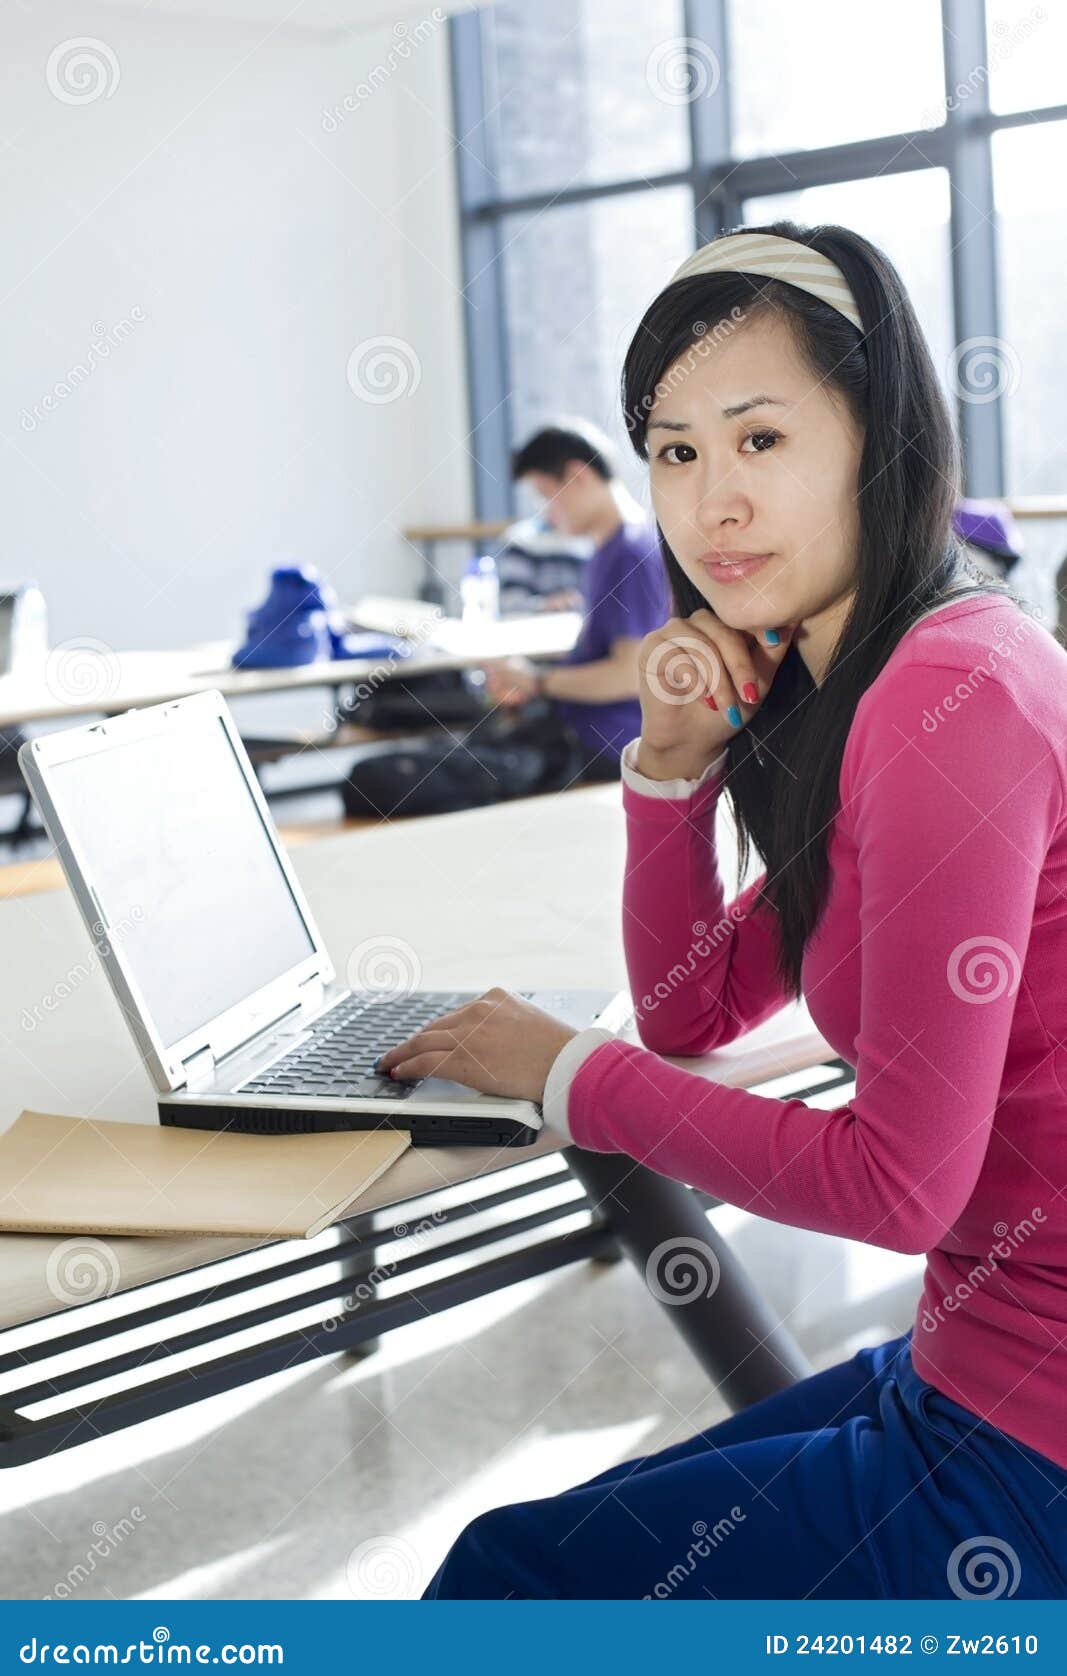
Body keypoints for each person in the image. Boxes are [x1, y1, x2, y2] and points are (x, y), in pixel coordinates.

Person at [375, 222, 1067, 1599]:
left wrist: (568, 1074)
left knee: (500, 1585)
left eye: (758, 440)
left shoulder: (949, 699)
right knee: (534, 1557)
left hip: (1025, 1439)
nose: (708, 505)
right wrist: (669, 776)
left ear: (877, 438)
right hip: (972, 1361)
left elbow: (896, 1185)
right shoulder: (868, 688)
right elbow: (693, 1004)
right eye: (675, 451)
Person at [481, 419, 672, 780]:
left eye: (545, 494)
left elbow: (631, 674)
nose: (547, 512)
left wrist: (537, 681)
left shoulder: (630, 553)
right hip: (581, 730)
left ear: (578, 476)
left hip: (603, 741)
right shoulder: (606, 550)